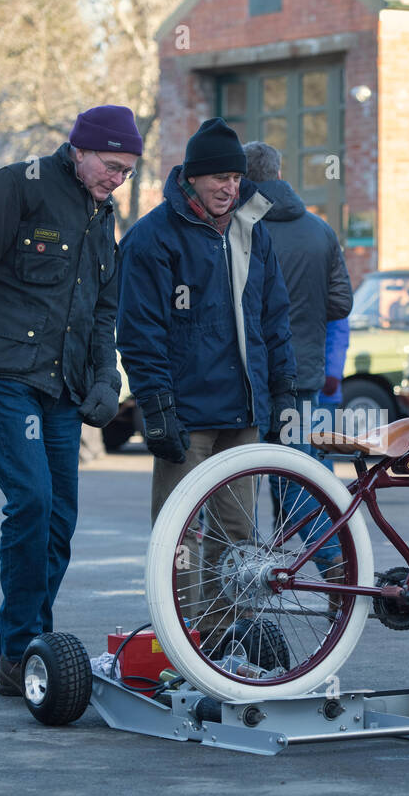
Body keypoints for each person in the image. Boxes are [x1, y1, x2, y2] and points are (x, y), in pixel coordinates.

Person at [0, 104, 138, 696]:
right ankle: (20, 648)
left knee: (61, 519)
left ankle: (34, 647)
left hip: (64, 390)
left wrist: (106, 377)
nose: (116, 178)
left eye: (126, 171)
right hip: (6, 378)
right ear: (79, 148)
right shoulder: (15, 188)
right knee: (32, 502)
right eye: (110, 165)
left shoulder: (103, 216)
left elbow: (103, 307)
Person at [116, 117, 295, 641]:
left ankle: (223, 640)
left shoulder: (251, 231)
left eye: (236, 178)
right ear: (191, 178)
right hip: (185, 416)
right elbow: (139, 331)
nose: (229, 188)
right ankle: (181, 641)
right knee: (180, 537)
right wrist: (156, 404)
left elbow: (273, 318)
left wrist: (281, 392)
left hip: (242, 413)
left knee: (237, 535)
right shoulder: (151, 238)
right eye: (218, 177)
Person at [242, 139, 352, 571]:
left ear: (245, 179)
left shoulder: (241, 226)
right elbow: (341, 302)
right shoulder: (319, 229)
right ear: (280, 173)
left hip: (248, 375)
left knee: (242, 480)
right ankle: (329, 560)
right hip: (302, 375)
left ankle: (327, 561)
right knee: (295, 474)